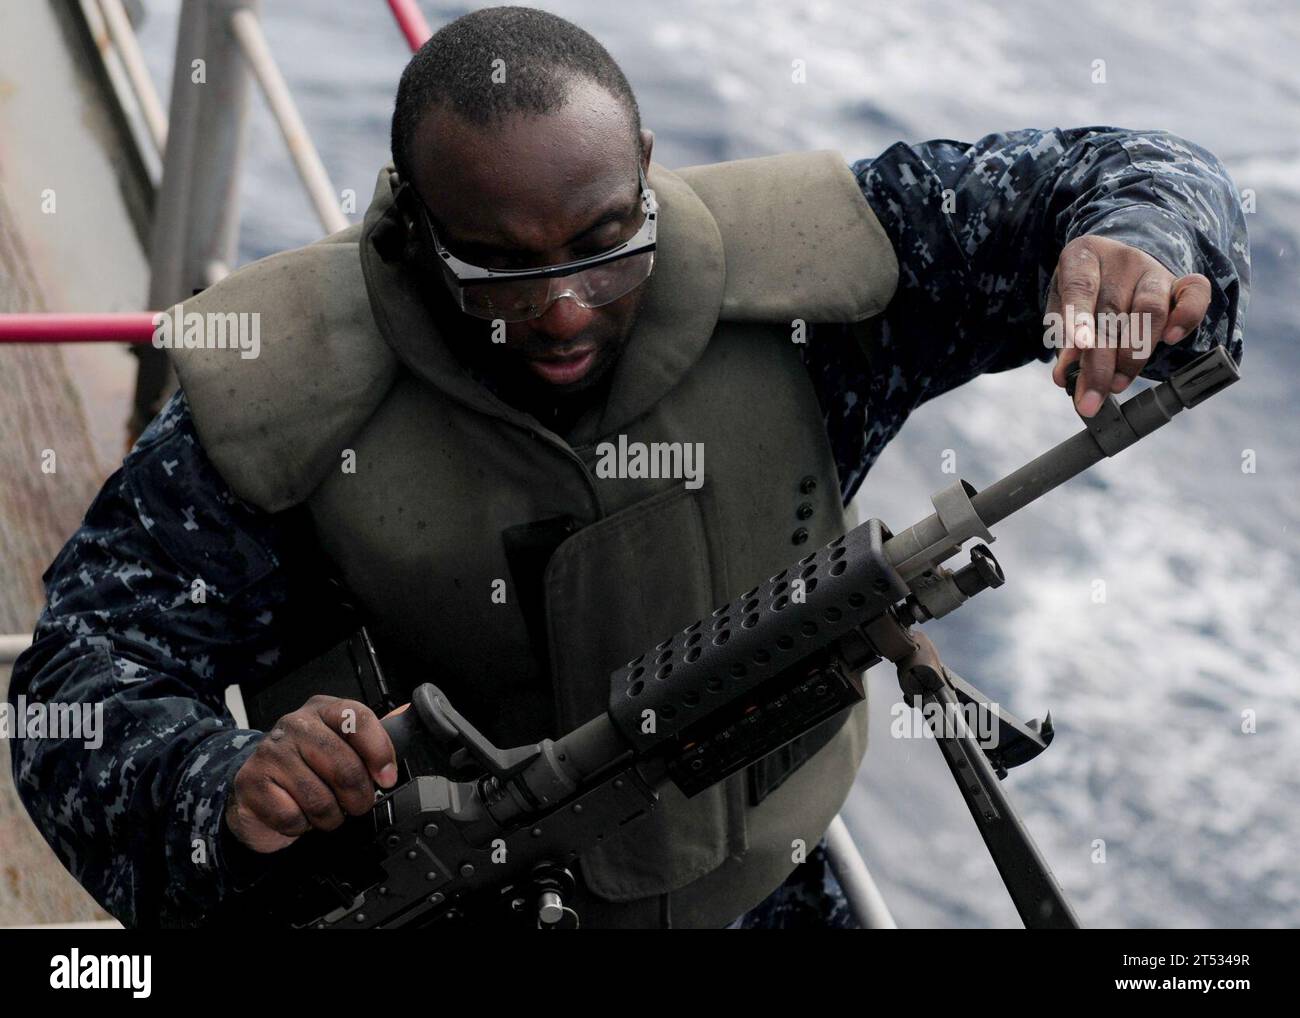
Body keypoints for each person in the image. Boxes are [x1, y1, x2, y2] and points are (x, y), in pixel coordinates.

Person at [8, 6, 1247, 929]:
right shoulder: (285, 399)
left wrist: (1133, 243)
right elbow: (77, 679)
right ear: (409, 232)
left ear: (647, 167)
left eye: (608, 241)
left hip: (762, 904)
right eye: (501, 267)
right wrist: (224, 779)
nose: (563, 308)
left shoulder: (811, 288)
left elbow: (1132, 171)